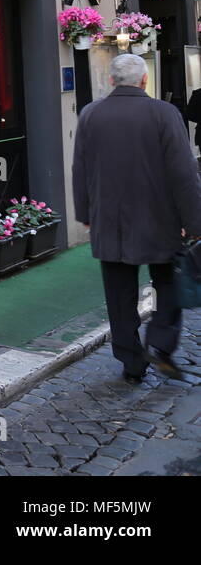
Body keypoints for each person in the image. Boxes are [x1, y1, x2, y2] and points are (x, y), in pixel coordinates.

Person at [73, 53, 201, 383]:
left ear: (111, 80)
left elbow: (80, 169)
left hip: (110, 221)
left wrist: (85, 212)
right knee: (168, 284)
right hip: (161, 220)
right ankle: (160, 343)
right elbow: (184, 172)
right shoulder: (164, 113)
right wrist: (195, 221)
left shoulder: (91, 114)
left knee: (119, 295)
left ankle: (131, 362)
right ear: (145, 80)